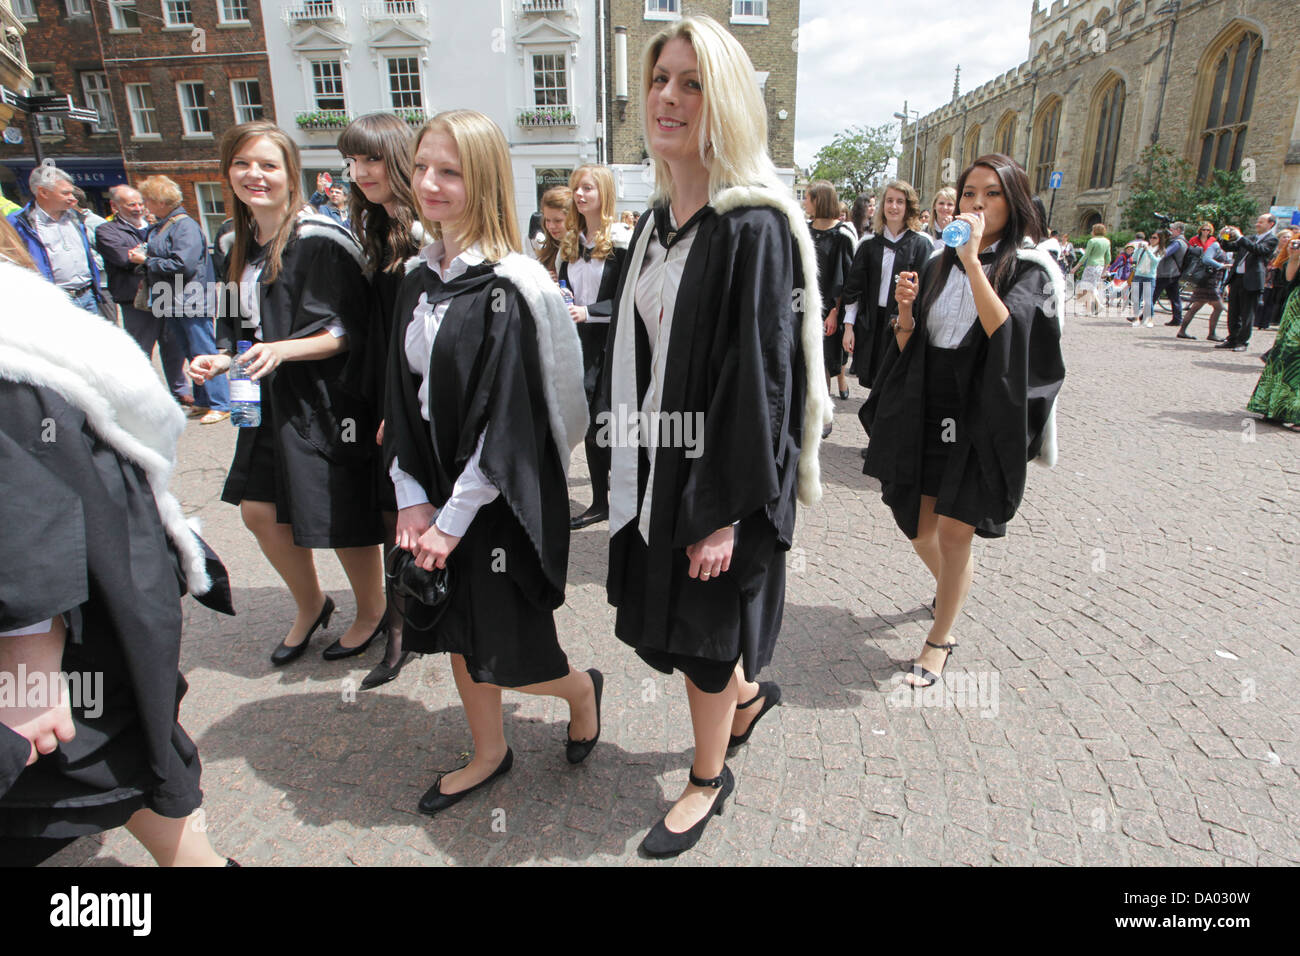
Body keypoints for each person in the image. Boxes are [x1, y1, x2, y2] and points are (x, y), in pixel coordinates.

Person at [600, 15, 830, 857]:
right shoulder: (655, 225)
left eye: (691, 83)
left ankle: (705, 778)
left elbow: (761, 380)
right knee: (689, 631)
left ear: (724, 100)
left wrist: (722, 510)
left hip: (711, 479)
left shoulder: (753, 227)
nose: (667, 96)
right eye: (661, 77)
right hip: (657, 465)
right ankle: (746, 697)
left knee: (699, 639)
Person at [383, 110, 600, 814]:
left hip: (494, 495)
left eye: (450, 171)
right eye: (421, 168)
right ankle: (488, 750)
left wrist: (448, 520)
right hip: (435, 492)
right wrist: (410, 496)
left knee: (511, 648)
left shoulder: (509, 284)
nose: (431, 183)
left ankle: (581, 689)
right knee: (452, 627)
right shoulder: (417, 281)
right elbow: (400, 395)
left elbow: (509, 419)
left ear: (484, 181)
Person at [1, 255, 236, 867]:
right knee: (115, 767)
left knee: (95, 761)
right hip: (81, 608)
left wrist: (27, 670)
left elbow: (25, 508)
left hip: (52, 626)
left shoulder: (15, 353)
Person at [859, 153, 1064, 689]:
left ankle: (939, 639)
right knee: (921, 528)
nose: (976, 204)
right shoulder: (935, 264)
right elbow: (911, 345)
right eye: (970, 193)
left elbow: (1009, 337)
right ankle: (954, 587)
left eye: (991, 194)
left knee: (954, 533)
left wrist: (974, 262)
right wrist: (904, 312)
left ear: (1012, 202)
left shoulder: (1027, 269)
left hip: (981, 412)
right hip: (930, 406)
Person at [189, 121, 386, 666]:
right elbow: (239, 325)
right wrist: (222, 358)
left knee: (337, 511)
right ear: (228, 171)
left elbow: (353, 329)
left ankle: (372, 609)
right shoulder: (232, 242)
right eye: (243, 164)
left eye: (268, 165)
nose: (255, 175)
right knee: (259, 512)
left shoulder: (321, 239)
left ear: (290, 173)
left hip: (324, 398)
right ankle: (312, 603)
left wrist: (282, 350)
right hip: (264, 398)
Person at [335, 111, 426, 689]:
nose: (359, 170)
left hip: (411, 394)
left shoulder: (419, 227)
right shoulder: (376, 224)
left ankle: (401, 632)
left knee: (405, 513)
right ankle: (399, 627)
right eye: (352, 160)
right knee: (393, 514)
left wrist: (398, 406)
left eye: (370, 158)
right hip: (378, 389)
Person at [559, 164, 631, 530]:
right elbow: (563, 285)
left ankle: (624, 500)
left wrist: (587, 311)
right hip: (579, 347)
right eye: (576, 188)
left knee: (611, 425)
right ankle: (601, 502)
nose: (580, 194)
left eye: (588, 188)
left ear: (604, 193)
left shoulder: (620, 244)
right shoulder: (571, 242)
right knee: (590, 424)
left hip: (612, 347)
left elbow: (629, 301)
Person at [135, 176, 231, 425]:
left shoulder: (183, 225)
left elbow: (183, 264)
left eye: (147, 199)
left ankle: (221, 402)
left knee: (204, 351)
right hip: (172, 299)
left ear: (159, 200)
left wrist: (146, 260)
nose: (144, 205)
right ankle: (203, 400)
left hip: (190, 298)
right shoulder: (162, 225)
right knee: (190, 353)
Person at [96, 185, 193, 409]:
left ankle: (180, 391)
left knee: (173, 347)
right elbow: (123, 259)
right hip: (134, 298)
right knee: (141, 349)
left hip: (164, 295)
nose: (138, 208)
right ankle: (146, 396)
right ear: (115, 206)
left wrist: (144, 255)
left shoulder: (156, 225)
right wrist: (152, 255)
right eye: (131, 204)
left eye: (140, 203)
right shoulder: (107, 230)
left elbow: (169, 256)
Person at [840, 179, 933, 393]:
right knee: (875, 386)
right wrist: (849, 328)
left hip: (903, 324)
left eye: (900, 202)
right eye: (889, 201)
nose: (893, 206)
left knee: (897, 385)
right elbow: (854, 289)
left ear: (908, 207)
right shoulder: (869, 245)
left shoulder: (921, 244)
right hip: (872, 323)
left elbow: (926, 293)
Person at [6, 165, 104, 315]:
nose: (72, 198)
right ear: (43, 192)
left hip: (87, 295)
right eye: (65, 193)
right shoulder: (18, 223)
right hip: (53, 301)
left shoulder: (76, 217)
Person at [805, 180, 856, 405]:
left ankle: (824, 413)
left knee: (824, 361)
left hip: (829, 309)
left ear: (819, 200)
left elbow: (844, 277)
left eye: (807, 198)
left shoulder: (842, 235)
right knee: (806, 361)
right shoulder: (804, 229)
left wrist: (835, 311)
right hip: (803, 305)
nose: (804, 202)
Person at [1247, 236, 1300, 423]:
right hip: (1297, 307)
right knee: (1287, 353)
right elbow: (1289, 279)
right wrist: (1294, 257)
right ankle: (1275, 408)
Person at [1218, 213, 1279, 352]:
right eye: (1258, 221)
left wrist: (1240, 237)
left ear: (1271, 224)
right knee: (1233, 312)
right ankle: (1232, 338)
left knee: (1247, 313)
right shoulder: (1250, 238)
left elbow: (1259, 250)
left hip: (1252, 281)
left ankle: (1242, 341)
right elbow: (1229, 247)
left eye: (1261, 222)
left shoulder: (1271, 240)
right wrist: (1225, 236)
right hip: (1237, 278)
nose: (1257, 224)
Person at [1177, 226, 1228, 340]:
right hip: (1209, 281)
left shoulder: (1217, 245)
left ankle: (1182, 331)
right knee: (1218, 307)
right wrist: (1221, 266)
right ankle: (1211, 334)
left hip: (1208, 280)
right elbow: (1206, 259)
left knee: (1196, 306)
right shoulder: (1215, 245)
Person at [1258, 228, 1294, 331]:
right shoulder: (1274, 249)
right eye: (1284, 237)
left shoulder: (1290, 251)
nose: (1286, 239)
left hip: (1280, 279)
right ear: (1279, 238)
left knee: (1273, 302)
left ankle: (1267, 322)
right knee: (1264, 299)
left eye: (1288, 237)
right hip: (1268, 278)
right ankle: (1258, 321)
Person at [1152, 220, 1187, 327]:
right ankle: (1177, 318)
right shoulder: (1183, 241)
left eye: (1172, 229)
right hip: (1173, 273)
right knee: (1174, 296)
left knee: (1153, 294)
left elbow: (1165, 253)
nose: (1170, 231)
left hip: (1167, 273)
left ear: (1179, 230)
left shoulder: (1177, 242)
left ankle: (1143, 316)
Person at [533, 185, 570, 281]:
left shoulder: (582, 252)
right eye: (547, 220)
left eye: (558, 221)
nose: (551, 226)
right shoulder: (548, 253)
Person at [1073, 223, 1111, 316]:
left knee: (1087, 287)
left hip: (1091, 265)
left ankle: (1092, 308)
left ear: (1095, 231)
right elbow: (1108, 257)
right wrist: (1105, 269)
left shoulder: (1092, 241)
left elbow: (1085, 256)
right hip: (1100, 266)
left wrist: (1076, 267)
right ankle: (1092, 308)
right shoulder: (1107, 241)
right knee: (1091, 287)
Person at [1129, 232, 1159, 327]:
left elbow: (1155, 261)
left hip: (1150, 276)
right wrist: (1138, 249)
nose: (1152, 239)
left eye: (1154, 238)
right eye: (1151, 237)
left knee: (1148, 299)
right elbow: (1134, 258)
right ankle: (1137, 319)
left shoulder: (1160, 250)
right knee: (1136, 299)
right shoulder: (1144, 248)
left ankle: (1149, 319)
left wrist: (1148, 251)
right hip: (1138, 275)